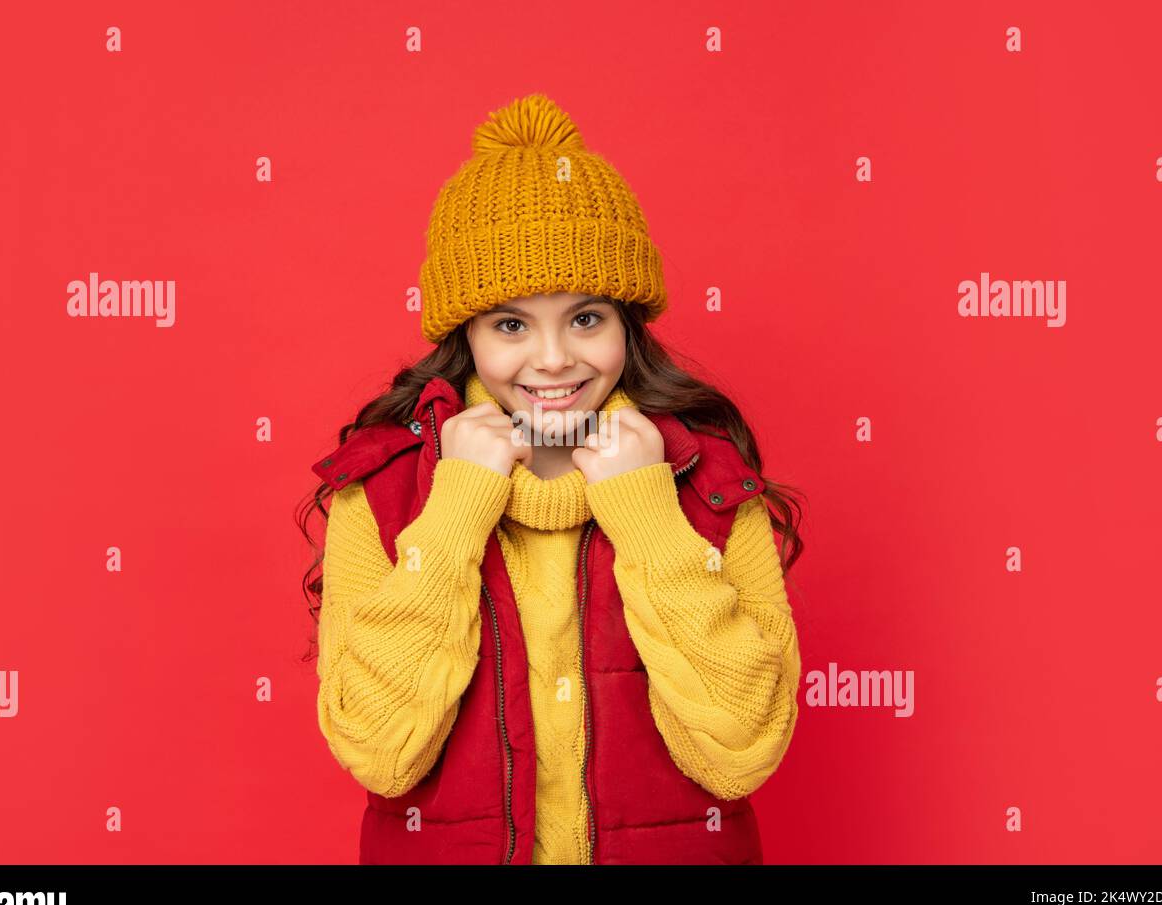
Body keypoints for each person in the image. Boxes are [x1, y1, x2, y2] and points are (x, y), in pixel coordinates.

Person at [299, 92, 805, 864]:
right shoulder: (383, 491)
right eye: (511, 324)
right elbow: (379, 750)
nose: (553, 358)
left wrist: (648, 516)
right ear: (465, 333)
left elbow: (741, 750)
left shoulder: (709, 483)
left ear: (627, 323)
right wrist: (456, 512)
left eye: (586, 317)